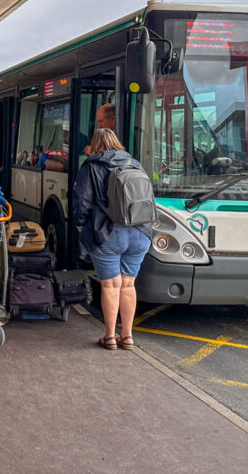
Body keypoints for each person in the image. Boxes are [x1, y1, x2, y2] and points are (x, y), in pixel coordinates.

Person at [72, 129, 152, 351]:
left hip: (107, 232)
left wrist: (81, 226)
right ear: (117, 142)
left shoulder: (91, 166)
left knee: (110, 284)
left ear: (95, 144)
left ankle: (109, 336)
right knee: (128, 284)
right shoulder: (135, 164)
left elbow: (82, 203)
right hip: (140, 231)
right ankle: (127, 336)